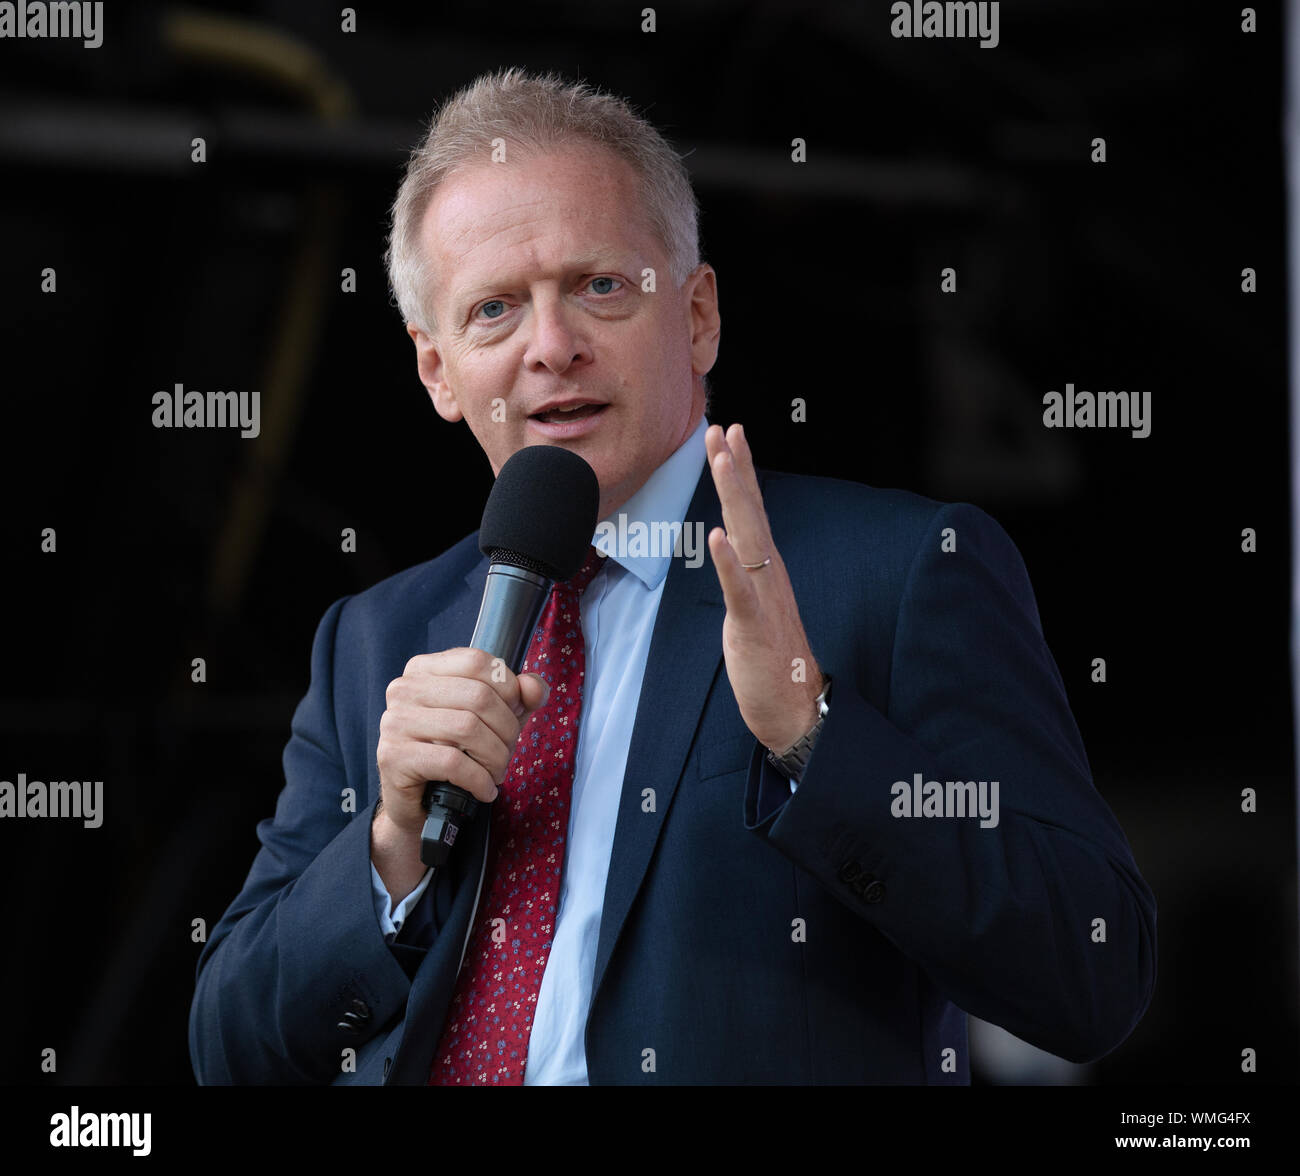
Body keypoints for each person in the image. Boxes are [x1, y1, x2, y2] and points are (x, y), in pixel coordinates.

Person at [189, 66, 1156, 1085]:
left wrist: (814, 736)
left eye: (599, 287)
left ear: (697, 315)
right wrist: (386, 847)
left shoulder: (897, 572)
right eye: (494, 310)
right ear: (437, 370)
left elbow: (1094, 973)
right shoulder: (376, 639)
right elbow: (228, 1050)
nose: (550, 347)